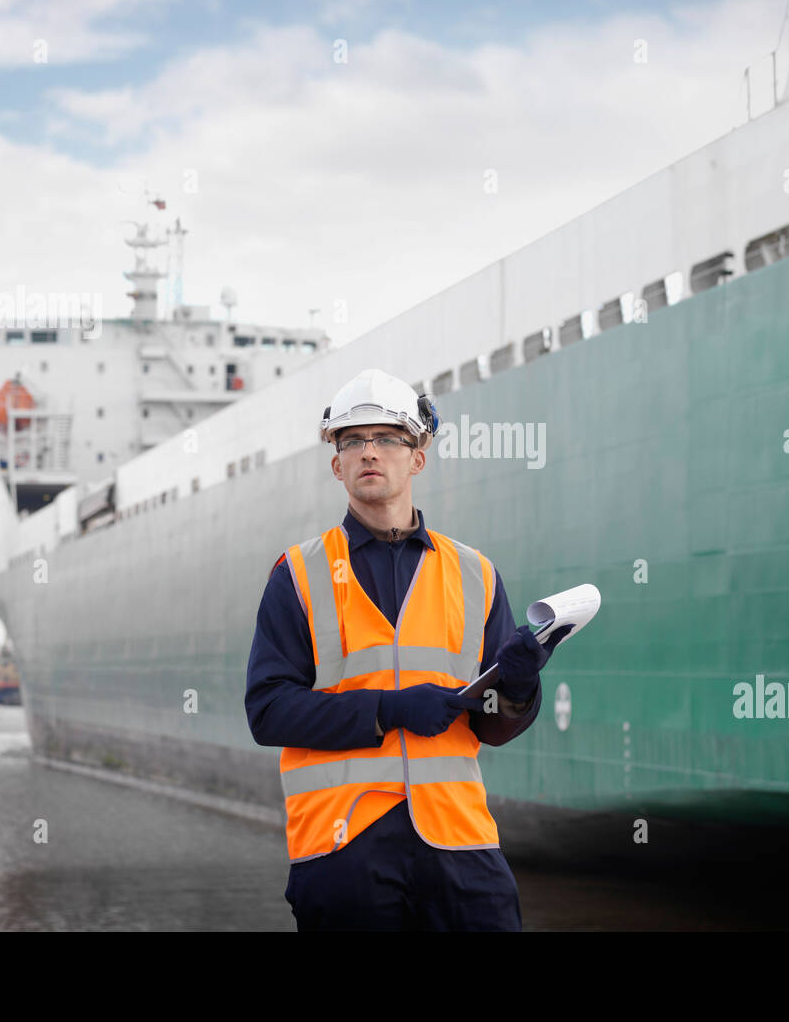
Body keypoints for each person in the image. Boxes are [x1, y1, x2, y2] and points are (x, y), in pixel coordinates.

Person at [244, 368, 571, 931]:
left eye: (388, 438)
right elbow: (267, 711)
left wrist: (519, 685)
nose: (370, 451)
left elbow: (492, 724)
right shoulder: (297, 575)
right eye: (353, 441)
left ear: (417, 457)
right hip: (345, 844)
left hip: (460, 843)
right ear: (336, 463)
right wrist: (387, 710)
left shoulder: (476, 574)